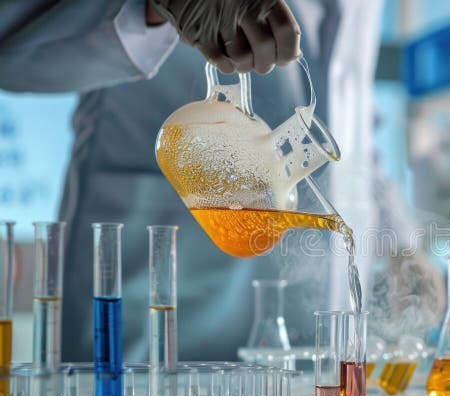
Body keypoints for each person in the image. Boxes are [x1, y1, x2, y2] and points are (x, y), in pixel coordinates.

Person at [0, 0, 387, 361]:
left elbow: (353, 114)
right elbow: (12, 46)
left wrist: (400, 241)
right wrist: (151, 7)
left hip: (318, 307)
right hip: (158, 270)